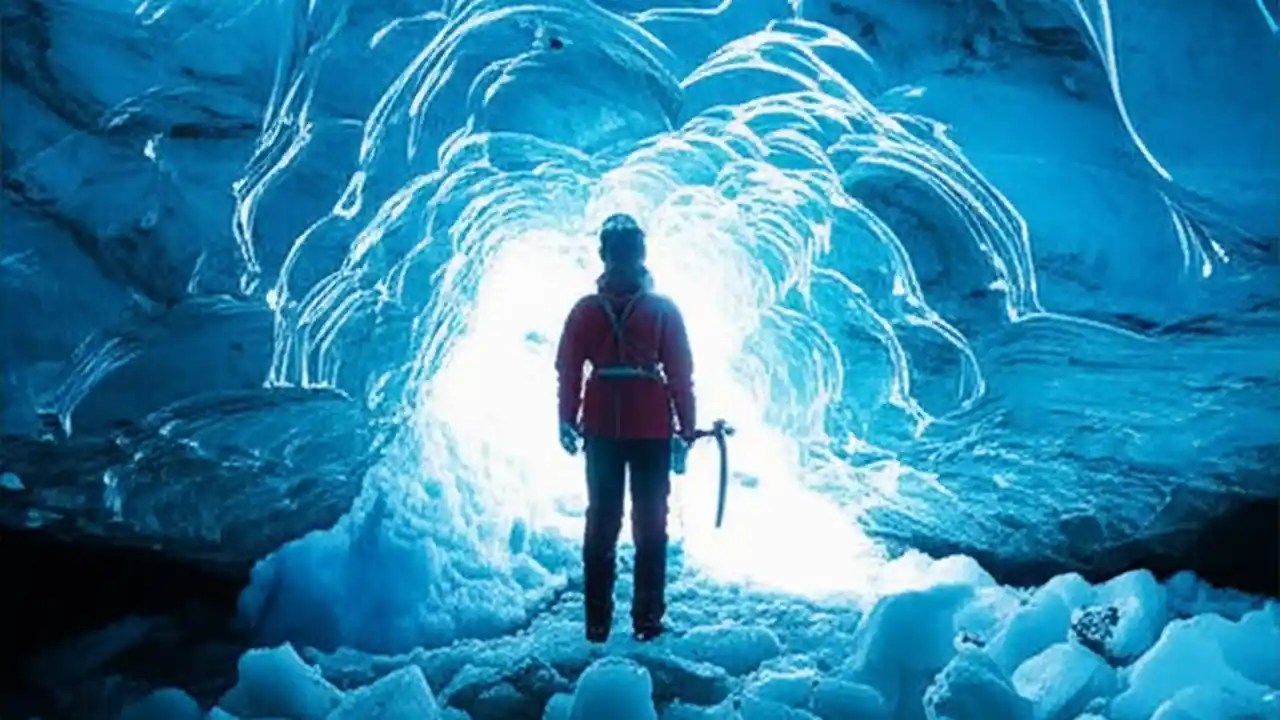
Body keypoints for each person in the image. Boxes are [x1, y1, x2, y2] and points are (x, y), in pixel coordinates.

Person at [555, 213, 697, 643]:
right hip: (652, 427)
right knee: (651, 524)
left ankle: (597, 624)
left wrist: (566, 418)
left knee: (601, 522)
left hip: (600, 427)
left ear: (603, 254)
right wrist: (686, 431)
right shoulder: (662, 310)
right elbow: (679, 373)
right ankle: (647, 622)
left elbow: (567, 370)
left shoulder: (585, 310)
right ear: (642, 253)